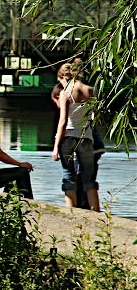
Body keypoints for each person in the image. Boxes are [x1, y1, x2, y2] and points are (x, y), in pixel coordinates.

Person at [52, 62, 100, 211]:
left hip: (68, 138)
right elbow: (96, 116)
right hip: (86, 138)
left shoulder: (65, 93)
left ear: (64, 76)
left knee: (68, 175)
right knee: (88, 177)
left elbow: (63, 122)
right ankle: (96, 211)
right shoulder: (91, 91)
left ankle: (72, 212)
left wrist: (55, 147)